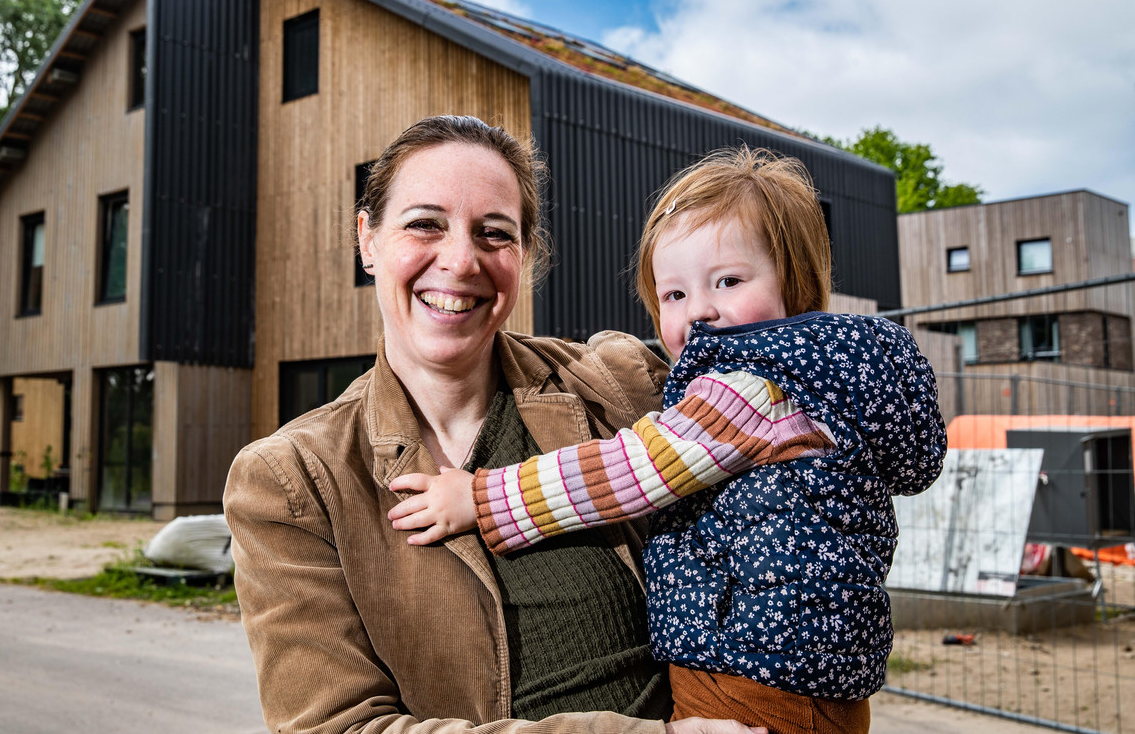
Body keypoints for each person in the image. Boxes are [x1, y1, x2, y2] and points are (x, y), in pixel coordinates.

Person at [224, 116, 764, 734]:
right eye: (425, 223)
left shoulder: (618, 385)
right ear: (368, 240)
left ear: (525, 256)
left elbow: (792, 417)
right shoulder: (293, 479)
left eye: (494, 234)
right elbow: (333, 727)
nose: (460, 260)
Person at [389, 147, 947, 734]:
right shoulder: (819, 379)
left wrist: (481, 498)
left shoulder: (749, 389)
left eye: (728, 281)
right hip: (795, 663)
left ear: (795, 283)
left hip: (758, 668)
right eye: (675, 296)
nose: (700, 312)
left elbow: (631, 471)